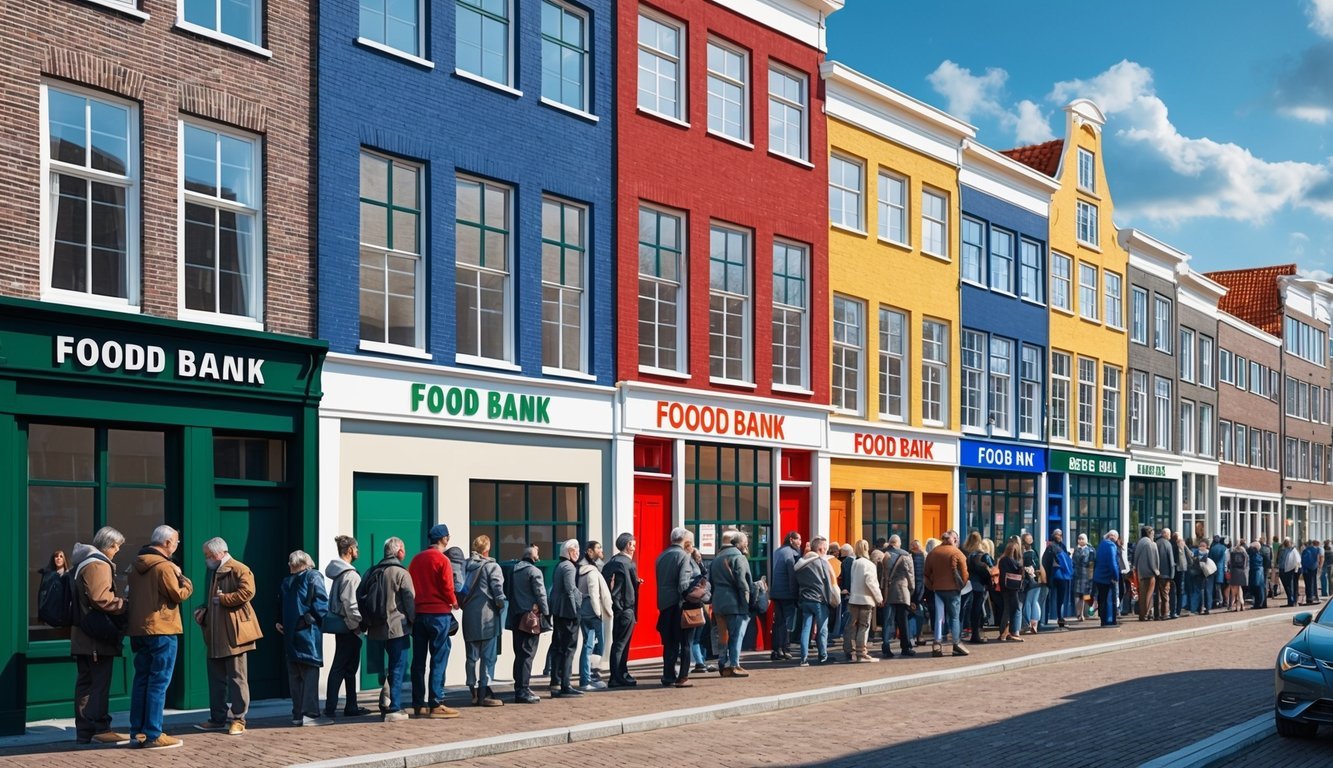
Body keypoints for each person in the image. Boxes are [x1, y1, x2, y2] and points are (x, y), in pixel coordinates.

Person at [127, 525, 193, 750]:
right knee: (159, 682)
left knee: (142, 680)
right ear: (166, 543)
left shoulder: (135, 565)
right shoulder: (165, 567)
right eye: (176, 542)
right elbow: (178, 594)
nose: (176, 546)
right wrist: (187, 583)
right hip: (162, 629)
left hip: (139, 629)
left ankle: (138, 732)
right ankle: (154, 733)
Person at [194, 537, 261, 736]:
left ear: (219, 553)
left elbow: (247, 592)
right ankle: (217, 718)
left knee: (237, 677)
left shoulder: (239, 569)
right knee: (216, 679)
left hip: (234, 635)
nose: (206, 559)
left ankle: (239, 719)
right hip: (215, 634)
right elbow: (213, 603)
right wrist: (203, 612)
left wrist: (224, 599)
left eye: (208, 555)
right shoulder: (215, 572)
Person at [70, 527, 128, 746]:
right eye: (117, 547)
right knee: (98, 683)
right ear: (109, 545)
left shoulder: (82, 562)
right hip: (95, 637)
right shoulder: (98, 564)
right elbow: (101, 598)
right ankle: (100, 728)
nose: (117, 551)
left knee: (85, 683)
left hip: (82, 635)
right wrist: (125, 604)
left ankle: (84, 732)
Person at [408, 524, 461, 719]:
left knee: (418, 661)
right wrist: (454, 602)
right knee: (439, 658)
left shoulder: (416, 559)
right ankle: (436, 701)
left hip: (419, 613)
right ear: (444, 539)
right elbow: (447, 587)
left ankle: (417, 703)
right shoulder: (442, 560)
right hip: (439, 614)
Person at [277, 550, 330, 727]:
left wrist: (280, 622)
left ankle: (298, 714)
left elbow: (280, 605)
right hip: (308, 632)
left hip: (290, 633)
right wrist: (319, 620)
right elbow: (321, 604)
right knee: (310, 672)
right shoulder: (313, 576)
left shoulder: (286, 581)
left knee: (295, 675)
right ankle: (311, 714)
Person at [366, 537, 415, 722]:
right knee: (398, 665)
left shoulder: (373, 571)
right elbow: (409, 600)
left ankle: (385, 699)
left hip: (377, 626)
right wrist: (413, 620)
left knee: (390, 666)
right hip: (398, 626)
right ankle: (394, 707)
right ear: (399, 552)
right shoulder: (401, 573)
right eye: (403, 549)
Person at [323, 535, 368, 719]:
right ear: (349, 550)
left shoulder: (338, 574)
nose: (358, 551)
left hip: (342, 626)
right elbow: (350, 604)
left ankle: (351, 705)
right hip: (349, 627)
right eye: (356, 548)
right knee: (342, 667)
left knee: (347, 668)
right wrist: (356, 626)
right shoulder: (350, 575)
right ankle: (332, 707)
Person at [461, 535, 505, 707]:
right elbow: (498, 591)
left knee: (471, 657)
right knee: (488, 657)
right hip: (487, 616)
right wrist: (501, 605)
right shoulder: (492, 566)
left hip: (469, 616)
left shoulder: (466, 566)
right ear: (487, 549)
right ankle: (484, 691)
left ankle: (472, 689)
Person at [656, 528, 698, 687]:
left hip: (664, 605)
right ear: (685, 541)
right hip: (680, 606)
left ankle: (668, 675)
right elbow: (683, 584)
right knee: (686, 643)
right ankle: (683, 677)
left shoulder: (661, 556)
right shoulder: (683, 556)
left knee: (669, 643)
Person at [508, 544, 548, 704]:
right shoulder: (534, 571)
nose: (539, 554)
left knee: (519, 654)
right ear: (532, 555)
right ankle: (523, 690)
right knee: (527, 655)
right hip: (530, 618)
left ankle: (520, 687)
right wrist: (545, 612)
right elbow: (541, 594)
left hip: (515, 615)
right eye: (537, 551)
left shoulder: (514, 570)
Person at [709, 530, 753, 676]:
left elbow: (711, 582)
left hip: (718, 602)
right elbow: (743, 582)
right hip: (735, 602)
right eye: (746, 543)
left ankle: (722, 663)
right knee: (736, 635)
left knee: (722, 635)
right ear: (740, 544)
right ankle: (734, 664)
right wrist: (747, 602)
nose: (747, 546)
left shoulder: (716, 559)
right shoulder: (739, 558)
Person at [602, 533, 640, 687]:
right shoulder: (628, 563)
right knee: (621, 644)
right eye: (632, 544)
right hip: (626, 608)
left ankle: (621, 673)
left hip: (618, 607)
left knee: (619, 643)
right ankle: (617, 676)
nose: (634, 547)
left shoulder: (612, 561)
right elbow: (629, 588)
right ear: (627, 545)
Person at [923, 530, 969, 657]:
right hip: (953, 590)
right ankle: (956, 643)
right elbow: (965, 574)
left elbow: (926, 573)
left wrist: (932, 586)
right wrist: (961, 585)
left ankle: (937, 644)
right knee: (954, 617)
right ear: (954, 540)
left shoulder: (933, 553)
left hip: (937, 589)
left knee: (939, 617)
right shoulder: (957, 553)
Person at [575, 540, 612, 691]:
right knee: (594, 645)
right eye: (598, 547)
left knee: (590, 645)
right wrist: (598, 613)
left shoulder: (581, 570)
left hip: (583, 610)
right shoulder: (591, 572)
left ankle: (590, 676)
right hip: (592, 612)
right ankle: (588, 678)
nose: (601, 550)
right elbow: (594, 593)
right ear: (590, 551)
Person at [549, 538, 583, 697]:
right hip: (568, 613)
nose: (577, 552)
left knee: (558, 647)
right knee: (568, 648)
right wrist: (577, 607)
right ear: (568, 552)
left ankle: (555, 683)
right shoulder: (569, 567)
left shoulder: (559, 566)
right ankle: (565, 684)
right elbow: (570, 590)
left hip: (558, 611)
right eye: (575, 549)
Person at [794, 537, 835, 666]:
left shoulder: (799, 564)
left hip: (805, 599)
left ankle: (803, 658)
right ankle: (823, 656)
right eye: (825, 549)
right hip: (819, 600)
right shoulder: (821, 563)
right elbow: (828, 584)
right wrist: (831, 599)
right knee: (823, 629)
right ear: (820, 549)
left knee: (806, 628)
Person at [879, 535, 916, 657]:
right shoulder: (905, 555)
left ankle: (885, 646)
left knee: (887, 620)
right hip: (902, 590)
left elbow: (880, 574)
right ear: (898, 543)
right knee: (902, 620)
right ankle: (905, 647)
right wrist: (912, 589)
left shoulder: (883, 555)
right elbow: (910, 574)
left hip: (887, 591)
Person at [846, 540, 882, 663]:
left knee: (852, 626)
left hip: (854, 598)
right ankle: (861, 653)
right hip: (866, 599)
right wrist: (879, 598)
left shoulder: (854, 563)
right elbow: (871, 582)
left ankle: (852, 651)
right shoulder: (869, 564)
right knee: (864, 626)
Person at [769, 531, 802, 661]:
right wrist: (795, 594)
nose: (800, 542)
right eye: (798, 539)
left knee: (778, 622)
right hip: (787, 593)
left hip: (776, 591)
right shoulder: (791, 554)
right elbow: (792, 576)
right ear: (791, 540)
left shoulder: (778, 551)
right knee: (787, 623)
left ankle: (776, 649)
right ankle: (785, 648)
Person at [683, 540, 714, 674]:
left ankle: (700, 661)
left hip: (694, 606)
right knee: (696, 638)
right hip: (698, 606)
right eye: (699, 557)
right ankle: (700, 662)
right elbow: (706, 595)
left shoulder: (697, 573)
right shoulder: (701, 576)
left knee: (695, 637)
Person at [1043, 529, 1073, 630]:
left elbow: (1045, 561)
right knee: (1060, 599)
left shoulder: (1050, 547)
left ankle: (1046, 618)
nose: (1059, 536)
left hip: (1053, 575)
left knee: (1049, 598)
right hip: (1062, 576)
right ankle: (1060, 618)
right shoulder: (1061, 547)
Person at [966, 537, 994, 644]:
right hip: (981, 586)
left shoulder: (970, 556)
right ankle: (976, 635)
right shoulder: (985, 556)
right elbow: (991, 569)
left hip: (970, 585)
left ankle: (974, 633)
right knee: (979, 610)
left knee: (973, 610)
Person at [997, 539, 1024, 642]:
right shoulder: (1018, 562)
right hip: (1014, 588)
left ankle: (1003, 632)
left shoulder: (1002, 560)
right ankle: (1015, 632)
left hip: (1004, 587)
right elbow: (1020, 573)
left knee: (1006, 609)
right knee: (1017, 609)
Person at [1093, 531, 1120, 627]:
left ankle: (1103, 620)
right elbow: (1113, 563)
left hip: (1098, 576)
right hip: (1107, 577)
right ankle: (1110, 620)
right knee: (1110, 599)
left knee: (1102, 599)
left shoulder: (1101, 544)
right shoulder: (1111, 546)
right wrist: (1116, 576)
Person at [1133, 526, 1159, 621]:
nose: (1153, 535)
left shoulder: (1139, 543)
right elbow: (1152, 560)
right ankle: (1146, 613)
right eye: (1152, 533)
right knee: (1149, 594)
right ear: (1149, 533)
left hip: (1141, 572)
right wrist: (1156, 570)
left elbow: (1135, 558)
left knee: (1143, 594)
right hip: (1149, 573)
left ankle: (1143, 613)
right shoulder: (1150, 544)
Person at [1019, 533, 1043, 634]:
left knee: (1028, 602)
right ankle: (1035, 624)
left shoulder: (1025, 554)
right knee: (1035, 602)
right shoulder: (1035, 552)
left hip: (1029, 581)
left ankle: (1028, 623)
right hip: (1037, 579)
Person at [1072, 533, 1094, 622]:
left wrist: (1091, 575)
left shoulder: (1090, 550)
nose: (1081, 540)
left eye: (1082, 539)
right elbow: (1073, 561)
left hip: (1086, 574)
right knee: (1077, 594)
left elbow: (1092, 563)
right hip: (1077, 574)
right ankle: (1078, 613)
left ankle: (1085, 613)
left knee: (1086, 595)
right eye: (1079, 538)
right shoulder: (1076, 550)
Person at [1155, 528, 1176, 621]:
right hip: (1166, 574)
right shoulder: (1168, 544)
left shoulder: (1156, 543)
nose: (1170, 536)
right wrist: (1172, 575)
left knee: (1157, 595)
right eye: (1169, 534)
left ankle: (1156, 614)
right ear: (1166, 534)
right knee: (1165, 595)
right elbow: (1171, 561)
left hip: (1156, 573)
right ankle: (1165, 613)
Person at [1279, 537, 1301, 606]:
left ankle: (1292, 601)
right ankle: (1291, 601)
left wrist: (1296, 570)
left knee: (1291, 586)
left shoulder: (1293, 550)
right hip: (1283, 569)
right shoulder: (1283, 550)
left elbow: (1298, 561)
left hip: (1291, 570)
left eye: (1287, 542)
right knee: (1287, 586)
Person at [1302, 539, 1324, 606]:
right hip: (1313, 567)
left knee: (1307, 583)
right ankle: (1313, 597)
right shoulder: (1318, 549)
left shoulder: (1306, 550)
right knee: (1313, 582)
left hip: (1305, 568)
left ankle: (1309, 598)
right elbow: (1321, 558)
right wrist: (1320, 566)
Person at [1248, 541, 1265, 610]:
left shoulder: (1253, 555)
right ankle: (1258, 603)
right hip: (1259, 572)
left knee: (1256, 588)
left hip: (1255, 572)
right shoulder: (1260, 555)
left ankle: (1258, 604)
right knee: (1259, 588)